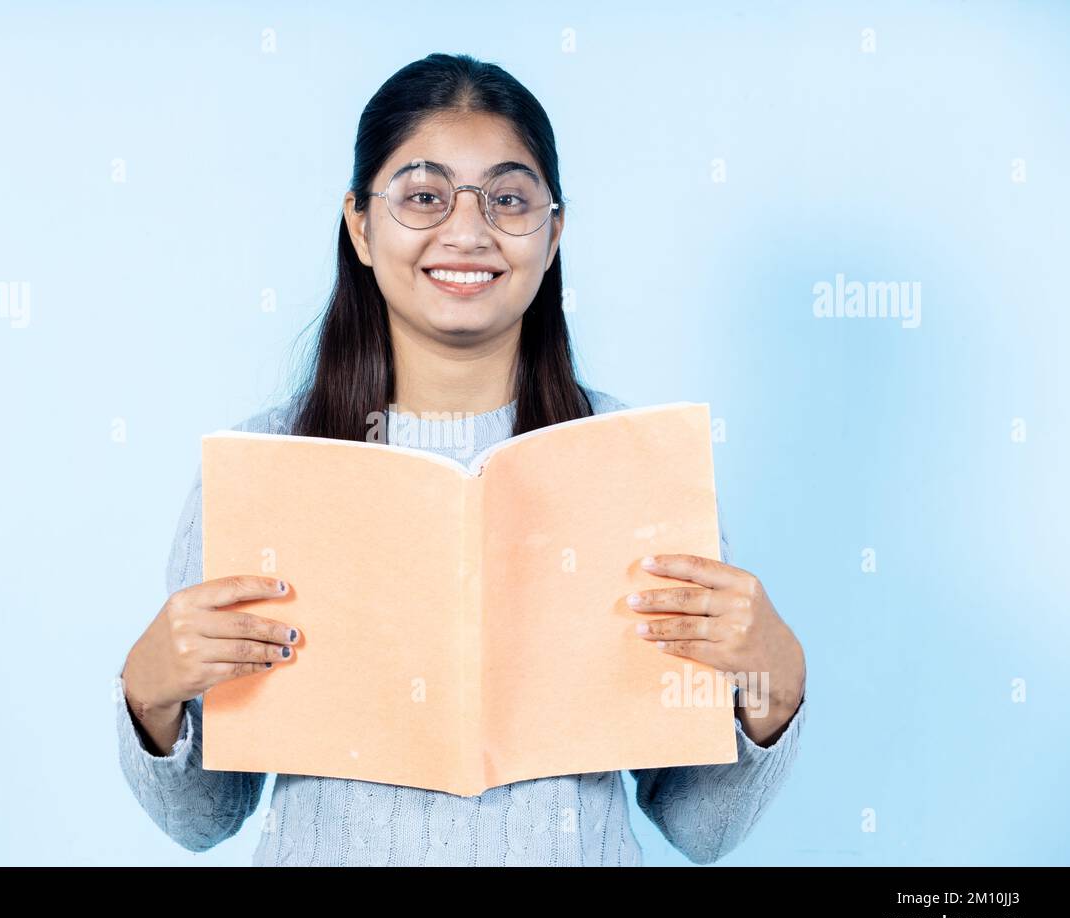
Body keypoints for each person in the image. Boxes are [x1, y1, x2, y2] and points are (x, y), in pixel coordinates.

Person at [115, 52, 807, 866]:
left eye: (508, 199)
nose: (468, 231)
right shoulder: (267, 468)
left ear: (553, 233)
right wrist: (150, 696)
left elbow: (700, 826)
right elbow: (203, 820)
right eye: (423, 196)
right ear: (361, 227)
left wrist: (774, 683)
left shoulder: (637, 466)